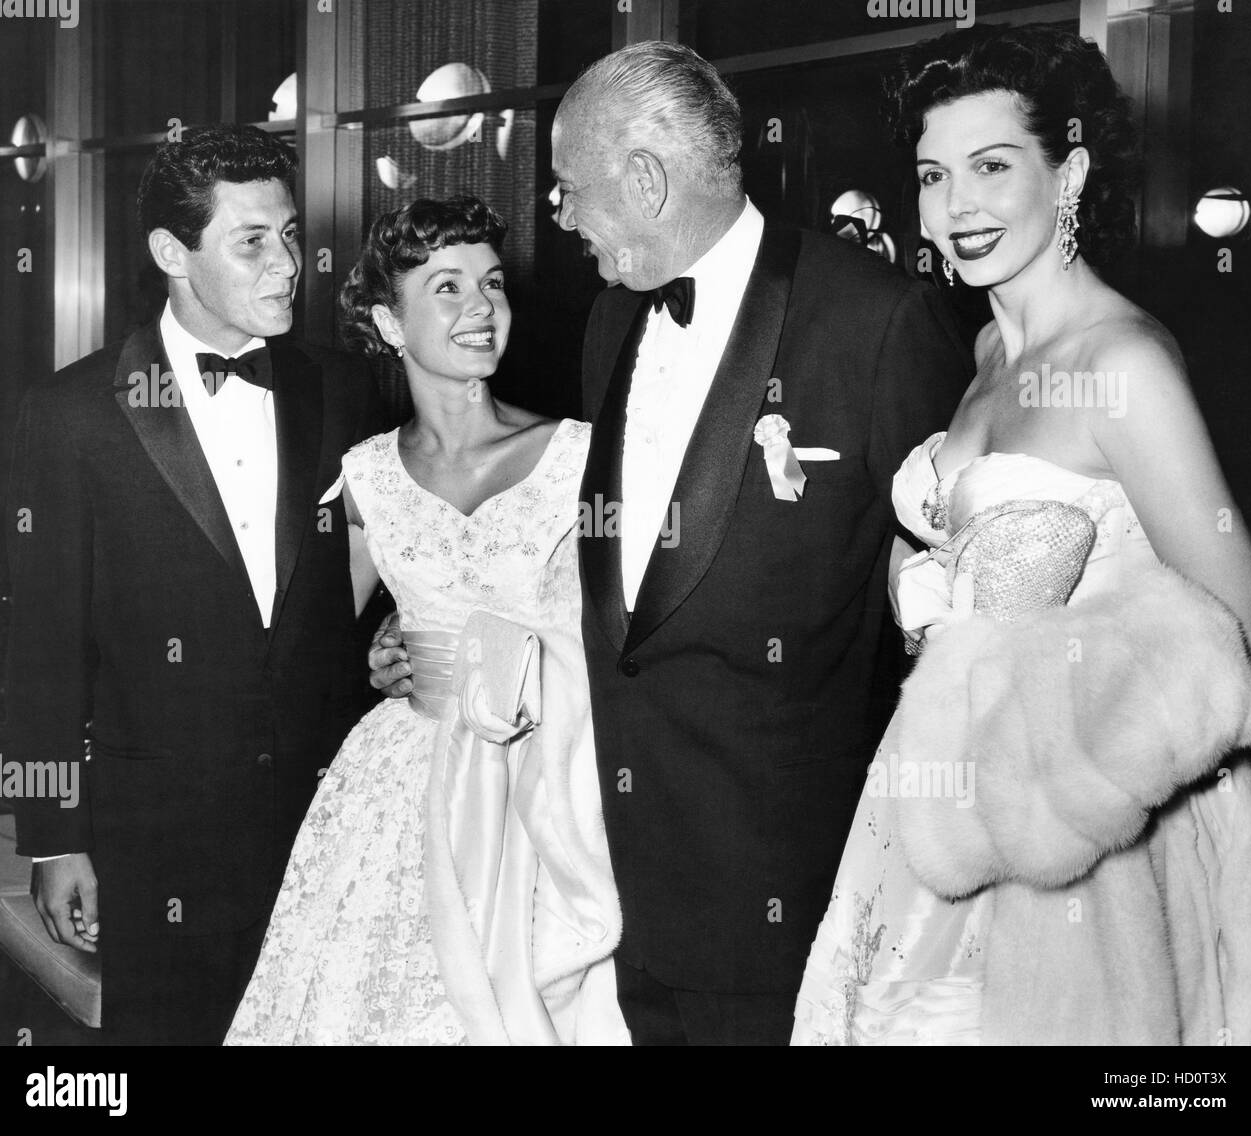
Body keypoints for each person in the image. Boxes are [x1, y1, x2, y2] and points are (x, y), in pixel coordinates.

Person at [372, 42, 970, 1045]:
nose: (557, 216)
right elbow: (598, 585)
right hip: (606, 868)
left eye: (568, 189)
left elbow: (959, 608)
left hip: (779, 881)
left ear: (645, 179)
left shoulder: (875, 322)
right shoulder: (611, 320)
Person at [793, 24, 1251, 1046]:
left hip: (1079, 858)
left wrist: (1074, 782)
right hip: (922, 805)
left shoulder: (1120, 361)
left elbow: (1247, 643)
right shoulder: (981, 345)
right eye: (932, 174)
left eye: (992, 166)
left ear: (1071, 173)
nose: (955, 204)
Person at [4, 125, 382, 1045]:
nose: (290, 263)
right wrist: (55, 841)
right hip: (156, 840)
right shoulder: (69, 415)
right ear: (172, 253)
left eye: (290, 233)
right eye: (252, 240)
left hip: (323, 822)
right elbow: (43, 646)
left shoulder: (345, 389)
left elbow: (360, 592)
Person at [226, 196, 626, 1045]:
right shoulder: (367, 478)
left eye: (490, 284)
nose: (480, 308)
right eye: (446, 287)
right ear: (388, 321)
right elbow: (303, 649)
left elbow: (633, 636)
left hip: (554, 784)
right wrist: (377, 657)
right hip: (406, 793)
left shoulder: (579, 458)